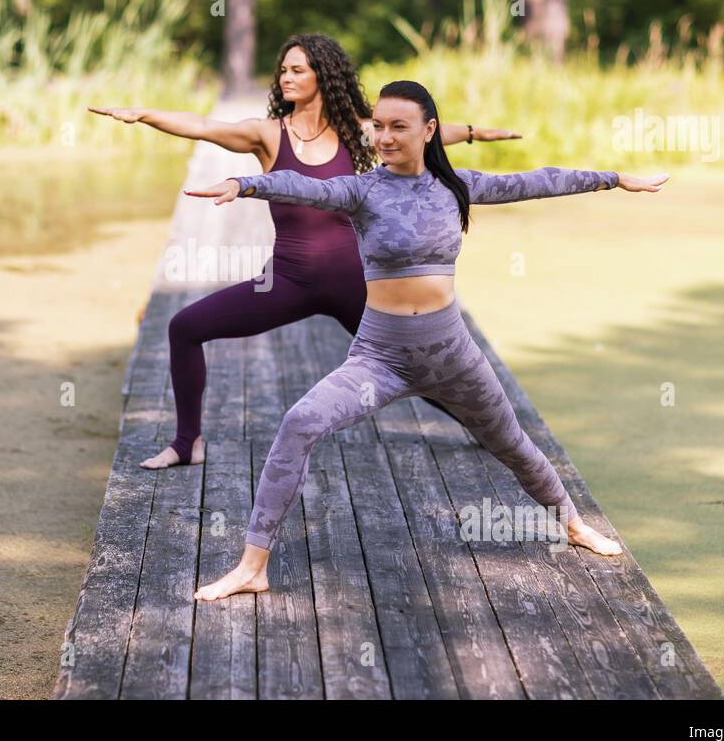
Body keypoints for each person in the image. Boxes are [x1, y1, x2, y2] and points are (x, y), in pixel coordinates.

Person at [184, 79, 669, 601]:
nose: (384, 137)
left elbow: (538, 181)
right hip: (380, 358)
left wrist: (615, 178)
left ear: (429, 129)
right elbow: (305, 187)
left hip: (451, 356)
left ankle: (574, 524)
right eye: (378, 126)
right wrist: (245, 184)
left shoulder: (456, 186)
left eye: (399, 126)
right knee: (300, 422)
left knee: (511, 442)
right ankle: (252, 567)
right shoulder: (362, 189)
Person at [90, 32, 520, 471]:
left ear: (323, 75)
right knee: (184, 327)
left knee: (417, 366)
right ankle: (186, 443)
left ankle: (490, 430)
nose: (286, 78)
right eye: (283, 70)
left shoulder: (358, 132)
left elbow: (413, 134)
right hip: (286, 281)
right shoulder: (268, 135)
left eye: (298, 70)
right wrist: (144, 115)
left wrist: (472, 133)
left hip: (355, 281)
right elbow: (203, 125)